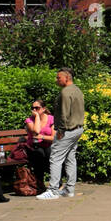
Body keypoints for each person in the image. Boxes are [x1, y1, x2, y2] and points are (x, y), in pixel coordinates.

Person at [38, 68, 84, 200]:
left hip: (67, 130)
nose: (56, 80)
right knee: (70, 158)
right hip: (78, 129)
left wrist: (61, 131)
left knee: (55, 158)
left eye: (59, 78)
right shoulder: (77, 90)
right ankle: (69, 190)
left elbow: (64, 114)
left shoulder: (65, 92)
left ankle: (53, 191)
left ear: (67, 78)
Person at [23, 97, 56, 192]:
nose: (34, 110)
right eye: (32, 108)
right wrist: (37, 117)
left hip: (48, 145)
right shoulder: (29, 120)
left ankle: (55, 183)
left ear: (43, 109)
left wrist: (42, 137)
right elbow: (36, 131)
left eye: (37, 108)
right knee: (39, 154)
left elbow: (54, 138)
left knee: (50, 153)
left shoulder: (51, 119)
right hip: (33, 146)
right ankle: (40, 184)